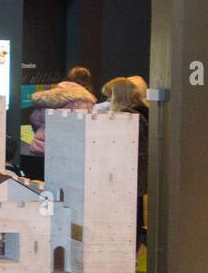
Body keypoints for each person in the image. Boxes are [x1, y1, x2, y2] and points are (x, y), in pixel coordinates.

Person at [104, 77, 148, 248]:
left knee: (129, 220)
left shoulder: (126, 117)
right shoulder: (142, 112)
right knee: (135, 217)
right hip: (137, 176)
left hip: (126, 177)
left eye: (109, 97)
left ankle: (129, 257)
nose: (107, 101)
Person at [27, 66, 95, 156]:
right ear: (87, 81)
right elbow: (78, 126)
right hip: (64, 148)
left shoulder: (49, 95)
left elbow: (34, 118)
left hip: (41, 145)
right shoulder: (83, 99)